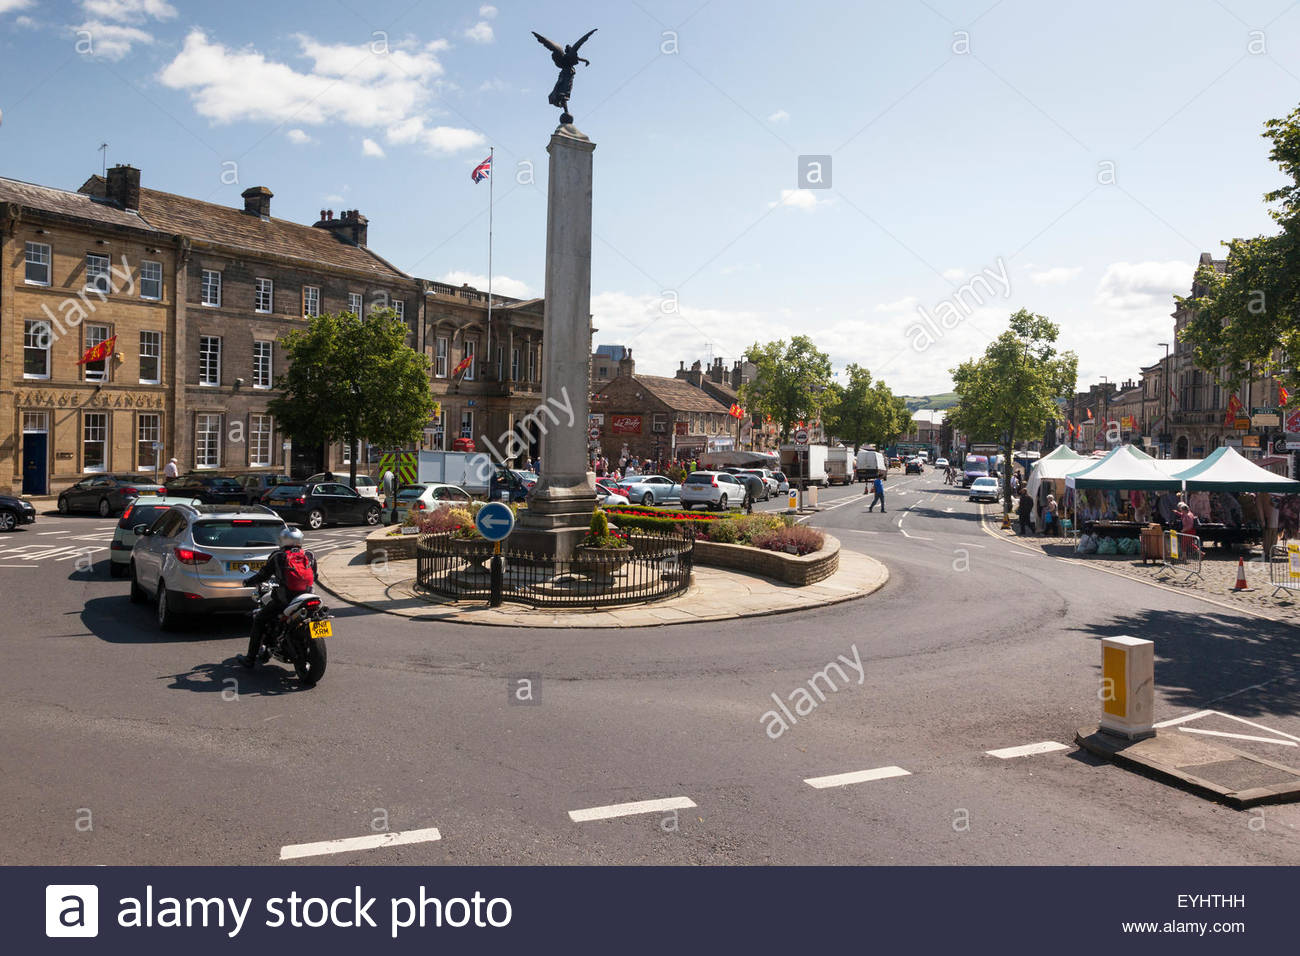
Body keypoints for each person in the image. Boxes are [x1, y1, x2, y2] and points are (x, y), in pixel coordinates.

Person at [237, 527, 319, 670]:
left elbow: (263, 575)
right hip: (309, 596)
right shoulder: (309, 554)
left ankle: (250, 659)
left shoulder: (278, 556)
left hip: (285, 599)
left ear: (283, 540)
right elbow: (315, 575)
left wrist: (247, 582)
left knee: (259, 620)